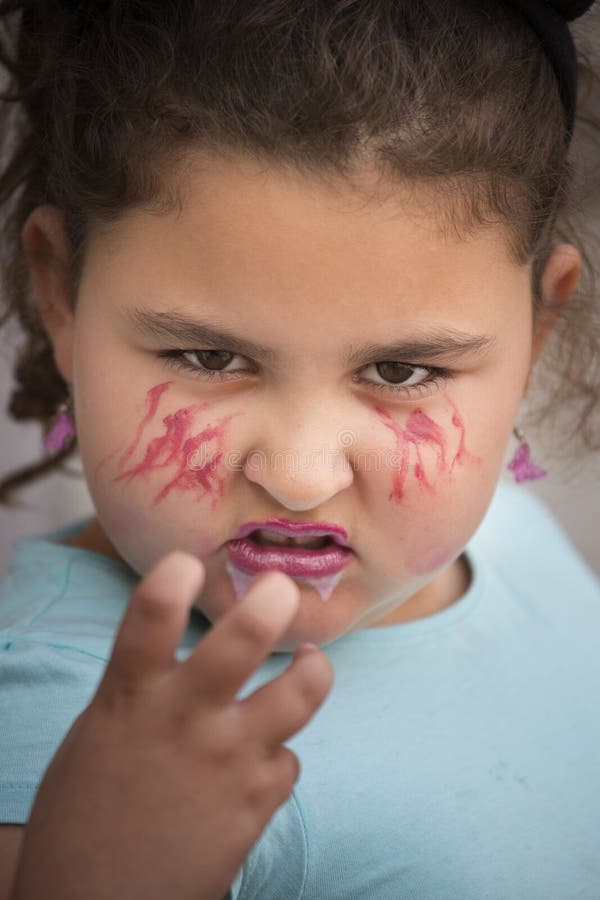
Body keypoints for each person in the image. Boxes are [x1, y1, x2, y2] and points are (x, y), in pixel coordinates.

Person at [0, 1, 599, 897]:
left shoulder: (514, 534)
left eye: (402, 370)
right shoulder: (58, 732)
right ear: (61, 298)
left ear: (536, 327)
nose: (301, 476)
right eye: (208, 357)